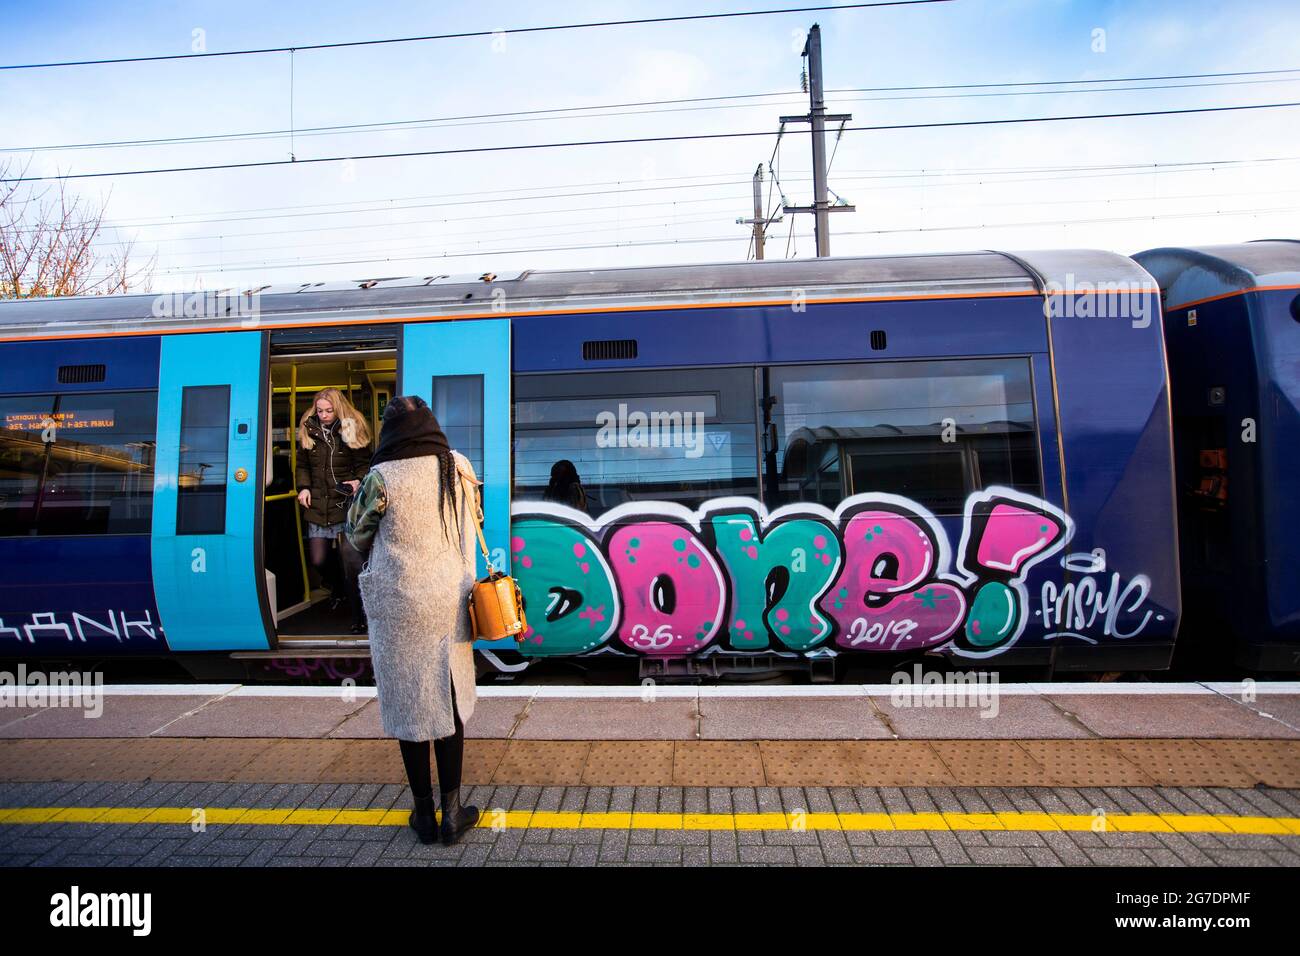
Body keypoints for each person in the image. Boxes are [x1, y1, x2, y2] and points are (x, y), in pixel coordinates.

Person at [345, 395, 480, 845]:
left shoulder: (380, 477)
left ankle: (423, 815)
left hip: (400, 606)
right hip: (448, 597)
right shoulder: (456, 466)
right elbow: (475, 519)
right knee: (449, 699)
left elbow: (356, 536)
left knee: (408, 706)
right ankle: (453, 813)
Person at [296, 388, 371, 633]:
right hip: (318, 502)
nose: (325, 415)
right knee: (318, 559)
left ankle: (358, 615)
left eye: (329, 410)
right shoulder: (309, 428)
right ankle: (336, 587)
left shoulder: (349, 426)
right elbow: (303, 464)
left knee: (351, 562)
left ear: (338, 409)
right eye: (320, 410)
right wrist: (304, 487)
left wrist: (357, 481)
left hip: (346, 503)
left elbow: (363, 463)